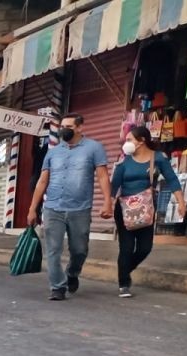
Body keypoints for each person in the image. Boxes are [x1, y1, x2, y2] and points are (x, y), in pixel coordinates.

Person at [27, 113, 113, 300]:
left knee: (79, 249)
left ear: (80, 128)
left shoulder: (94, 148)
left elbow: (103, 176)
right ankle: (57, 287)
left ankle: (72, 273)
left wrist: (108, 202)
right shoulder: (53, 152)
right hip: (53, 208)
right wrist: (33, 208)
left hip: (80, 209)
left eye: (69, 126)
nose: (64, 129)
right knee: (53, 249)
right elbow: (42, 181)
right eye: (62, 126)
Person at [111, 125, 187, 298]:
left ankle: (124, 269)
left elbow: (173, 180)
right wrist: (107, 205)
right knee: (127, 247)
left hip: (146, 208)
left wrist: (181, 202)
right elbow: (113, 186)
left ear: (141, 141)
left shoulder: (158, 158)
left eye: (129, 139)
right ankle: (124, 283)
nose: (126, 143)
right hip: (124, 209)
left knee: (145, 248)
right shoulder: (124, 161)